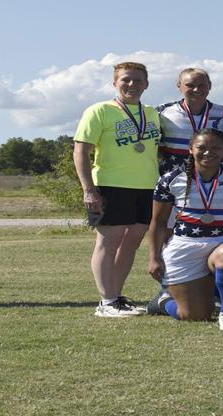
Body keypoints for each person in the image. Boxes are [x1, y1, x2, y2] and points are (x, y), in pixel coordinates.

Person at [145, 129, 223, 330]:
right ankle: (164, 302)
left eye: (216, 148)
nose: (208, 152)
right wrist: (154, 258)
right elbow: (159, 221)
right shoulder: (171, 178)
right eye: (201, 147)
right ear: (191, 149)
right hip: (185, 245)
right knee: (194, 315)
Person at [74, 60, 163, 318]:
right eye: (126, 79)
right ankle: (106, 302)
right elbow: (80, 152)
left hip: (147, 186)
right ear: (115, 82)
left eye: (138, 80)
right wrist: (88, 189)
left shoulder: (152, 113)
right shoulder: (99, 110)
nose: (132, 84)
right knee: (108, 242)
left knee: (131, 244)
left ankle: (117, 297)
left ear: (146, 84)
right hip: (110, 185)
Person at [156, 68, 223, 176]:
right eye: (190, 85)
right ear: (179, 86)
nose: (196, 89)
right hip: (173, 174)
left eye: (201, 85)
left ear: (209, 86)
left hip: (213, 174)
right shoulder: (163, 111)